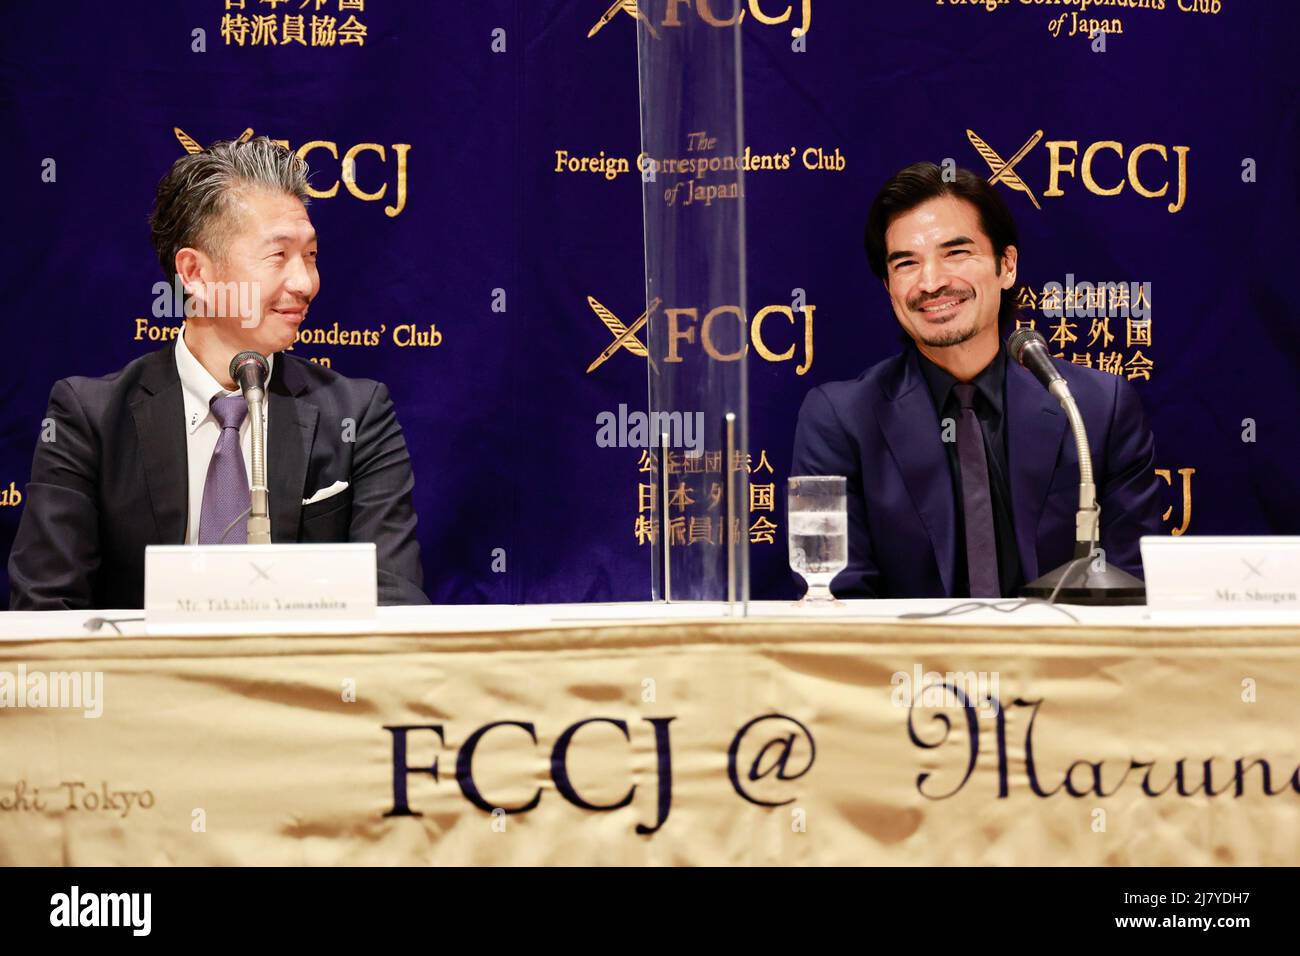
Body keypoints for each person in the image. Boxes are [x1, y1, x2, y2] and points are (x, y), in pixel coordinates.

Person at [9, 137, 428, 608]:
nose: (306, 282)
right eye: (279, 255)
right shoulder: (91, 418)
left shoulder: (358, 414)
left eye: (310, 255)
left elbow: (395, 608)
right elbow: (45, 608)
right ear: (194, 273)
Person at [791, 162, 1162, 598]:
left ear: (1006, 266)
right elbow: (836, 599)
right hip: (907, 666)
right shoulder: (842, 419)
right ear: (888, 286)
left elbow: (1129, 588)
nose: (931, 282)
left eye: (956, 253)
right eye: (907, 263)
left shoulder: (1095, 409)